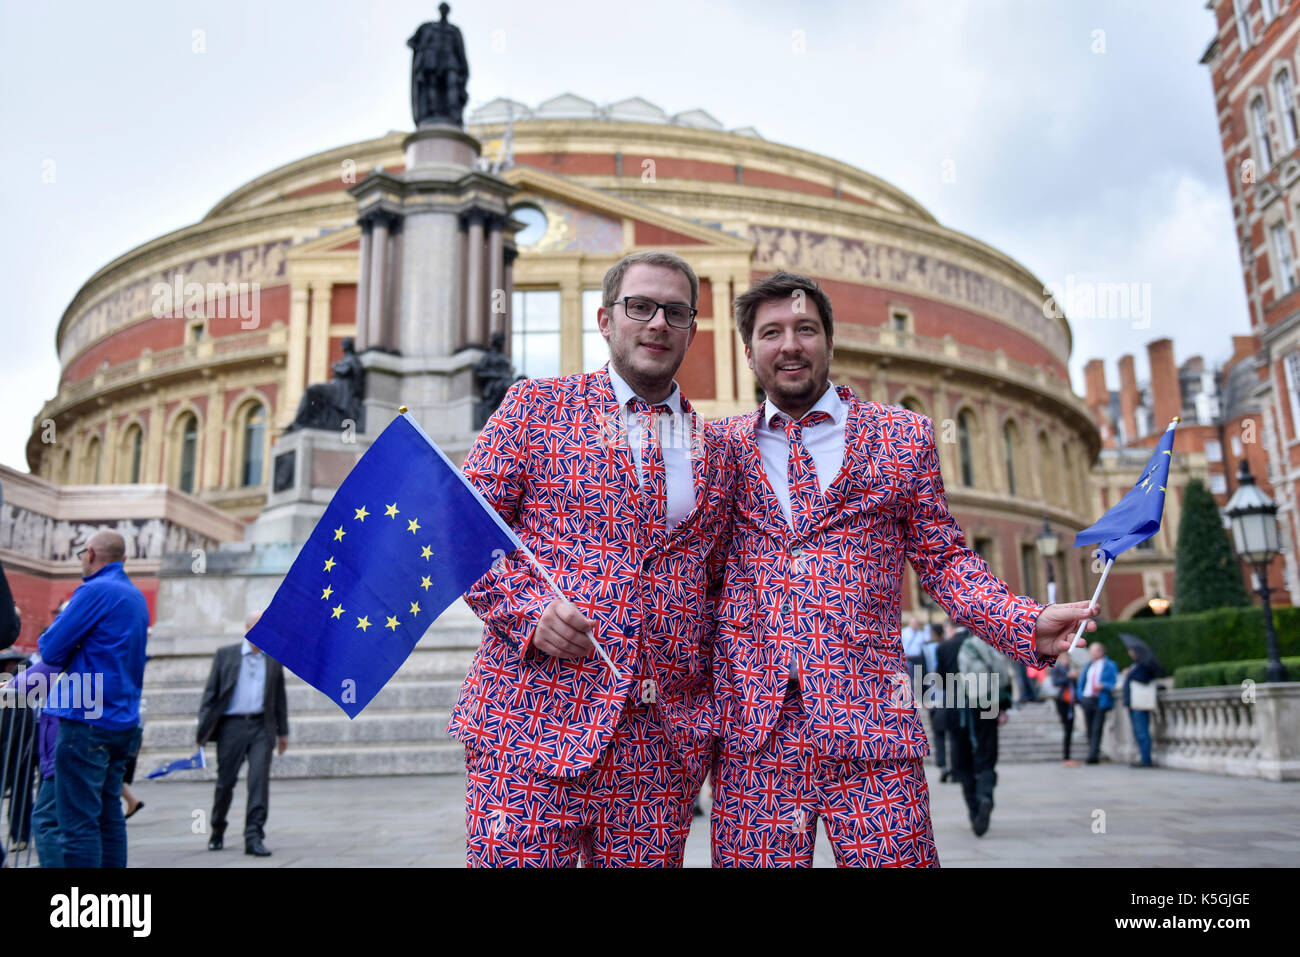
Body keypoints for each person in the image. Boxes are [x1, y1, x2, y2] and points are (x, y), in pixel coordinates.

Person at [710, 271, 1097, 867]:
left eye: (805, 329)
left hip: (873, 728)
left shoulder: (902, 436)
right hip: (753, 739)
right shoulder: (718, 448)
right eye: (771, 333)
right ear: (747, 351)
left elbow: (945, 560)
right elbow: (688, 575)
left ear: (830, 342)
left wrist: (1024, 623)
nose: (789, 345)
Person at [450, 250, 734, 867]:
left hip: (658, 752)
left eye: (676, 312)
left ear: (692, 329)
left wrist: (707, 719)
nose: (657, 323)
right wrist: (529, 613)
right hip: (529, 729)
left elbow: (719, 585)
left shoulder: (716, 448)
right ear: (606, 320)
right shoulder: (535, 407)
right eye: (640, 306)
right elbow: (461, 529)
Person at [38, 529, 148, 869]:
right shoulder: (135, 595)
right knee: (109, 817)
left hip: (86, 718)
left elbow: (50, 648)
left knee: (78, 823)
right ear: (123, 559)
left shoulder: (94, 590)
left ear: (89, 554)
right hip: (122, 719)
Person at [196, 611, 288, 857]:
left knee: (258, 781)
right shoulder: (226, 655)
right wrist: (202, 730)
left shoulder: (273, 660)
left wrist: (283, 733)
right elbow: (210, 695)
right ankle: (217, 828)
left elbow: (279, 699)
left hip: (261, 727)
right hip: (232, 727)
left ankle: (254, 836)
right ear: (247, 628)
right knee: (225, 782)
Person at [951, 629, 1015, 836]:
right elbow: (1003, 676)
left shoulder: (946, 647)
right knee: (987, 757)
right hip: (988, 704)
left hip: (957, 710)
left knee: (963, 765)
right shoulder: (989, 645)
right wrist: (1003, 707)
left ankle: (974, 811)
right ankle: (985, 795)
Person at [1120, 633, 1164, 768]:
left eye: (1131, 650)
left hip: (1139, 703)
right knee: (1138, 731)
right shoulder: (1137, 664)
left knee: (1142, 731)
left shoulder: (1144, 665)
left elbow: (1144, 679)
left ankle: (1146, 759)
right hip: (1133, 702)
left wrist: (1129, 674)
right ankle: (1143, 757)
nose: (1129, 652)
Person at [1076, 641, 1118, 765]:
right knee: (1089, 727)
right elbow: (1082, 682)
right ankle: (1092, 751)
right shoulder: (1088, 665)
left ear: (1100, 652)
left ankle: (1093, 755)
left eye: (1093, 651)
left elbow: (1113, 682)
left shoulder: (1109, 665)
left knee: (1097, 727)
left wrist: (1103, 685)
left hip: (1100, 699)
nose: (1091, 653)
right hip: (1087, 698)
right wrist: (1081, 696)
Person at [921, 623, 953, 782]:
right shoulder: (948, 646)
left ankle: (943, 764)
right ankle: (953, 765)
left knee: (938, 731)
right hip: (950, 693)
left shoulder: (926, 649)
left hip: (933, 693)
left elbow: (921, 673)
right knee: (952, 732)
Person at [1049, 657, 1079, 767]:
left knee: (1069, 728)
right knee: (1067, 727)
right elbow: (1055, 682)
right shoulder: (1058, 670)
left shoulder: (1069, 669)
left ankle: (1067, 756)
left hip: (1070, 701)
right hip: (1062, 701)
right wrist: (1068, 677)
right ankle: (1066, 757)